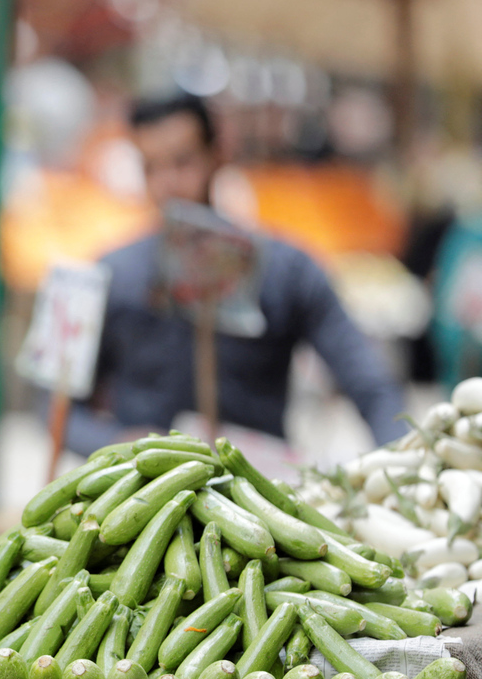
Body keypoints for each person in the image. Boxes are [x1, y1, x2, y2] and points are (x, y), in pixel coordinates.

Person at [63, 94, 406, 455]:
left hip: (255, 480)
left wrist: (402, 460)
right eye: (151, 168)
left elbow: (369, 382)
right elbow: (58, 405)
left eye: (183, 161)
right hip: (145, 481)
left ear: (218, 155)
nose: (169, 183)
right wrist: (113, 443)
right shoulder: (112, 276)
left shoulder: (284, 270)